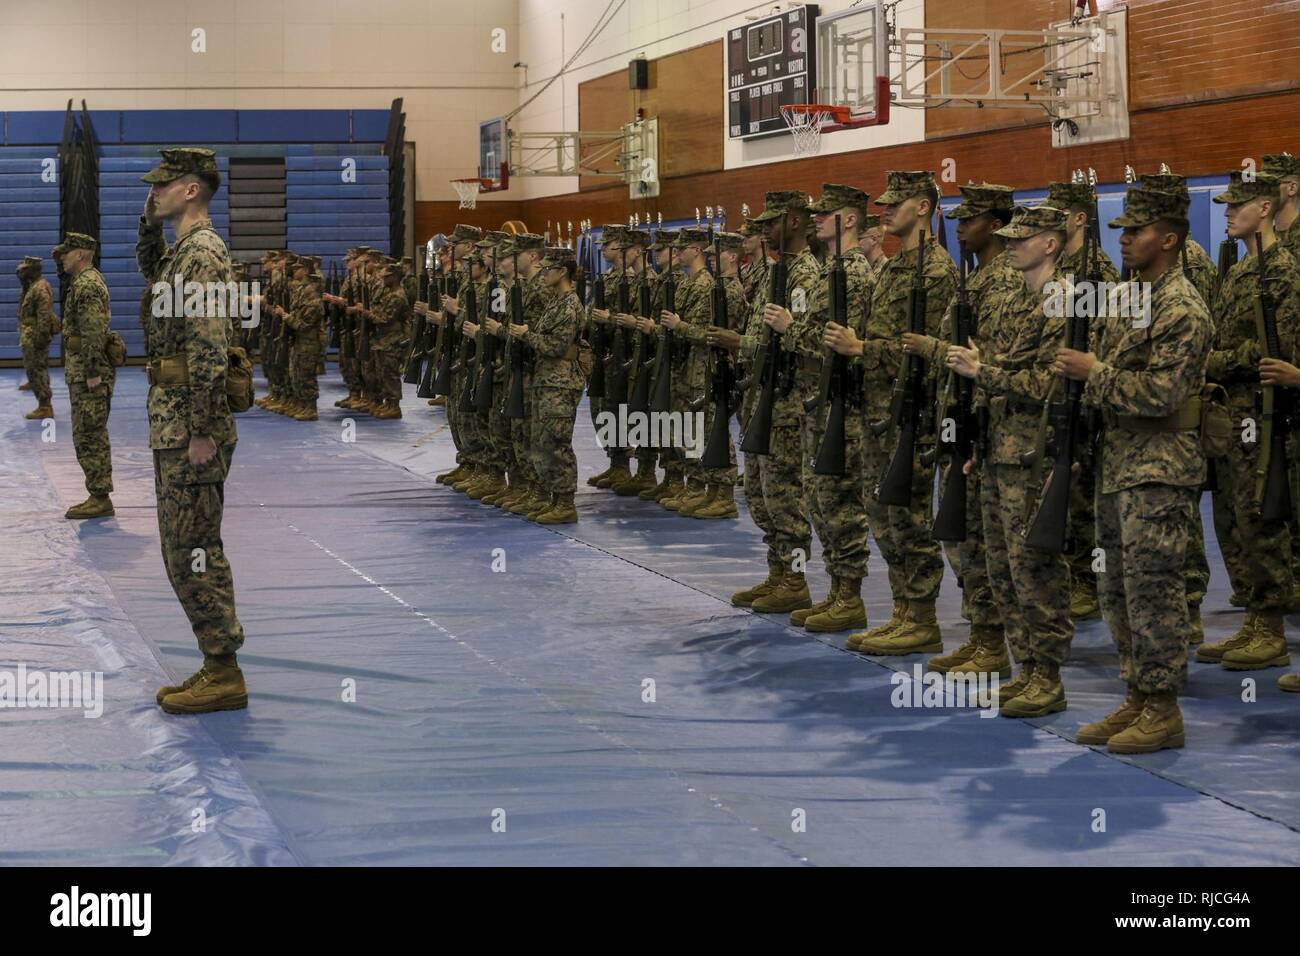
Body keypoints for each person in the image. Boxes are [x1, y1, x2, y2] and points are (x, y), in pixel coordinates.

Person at [1056, 184, 1211, 753]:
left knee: (1154, 591)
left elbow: (1162, 395)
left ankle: (1164, 708)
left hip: (1159, 467)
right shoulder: (1129, 297)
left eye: (1136, 231)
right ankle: (1139, 694)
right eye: (1120, 230)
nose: (1124, 239)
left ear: (1167, 239)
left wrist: (1093, 372)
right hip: (1118, 461)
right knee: (1116, 589)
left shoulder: (1181, 307)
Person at [947, 203, 1074, 717]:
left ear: (1050, 244)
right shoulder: (1011, 301)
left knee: (1035, 569)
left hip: (1034, 456)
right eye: (1011, 237)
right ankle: (1025, 669)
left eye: (1024, 238)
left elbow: (1050, 384)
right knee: (1002, 568)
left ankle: (1048, 675)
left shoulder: (1063, 302)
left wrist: (984, 372)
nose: (1013, 245)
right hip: (999, 453)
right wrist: (977, 442)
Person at [135, 146, 247, 715]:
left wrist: (202, 428)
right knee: (182, 547)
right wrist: (147, 214)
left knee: (194, 547)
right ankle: (215, 663)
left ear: (192, 190)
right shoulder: (182, 252)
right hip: (173, 418)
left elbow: (208, 344)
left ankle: (224, 670)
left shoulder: (203, 255)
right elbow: (149, 271)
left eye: (163, 184)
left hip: (191, 425)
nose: (154, 191)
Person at [828, 172, 956, 652]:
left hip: (912, 413)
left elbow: (924, 348)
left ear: (922, 207)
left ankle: (922, 618)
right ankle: (903, 610)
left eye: (894, 204)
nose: (884, 211)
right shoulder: (897, 268)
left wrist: (863, 349)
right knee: (882, 513)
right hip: (879, 410)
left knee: (910, 517)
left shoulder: (936, 272)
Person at [906, 183, 1020, 675]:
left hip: (980, 426)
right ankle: (980, 634)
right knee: (960, 536)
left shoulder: (1005, 283)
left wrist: (930, 348)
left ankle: (992, 642)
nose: (959, 227)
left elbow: (989, 361)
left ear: (995, 225)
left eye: (969, 219)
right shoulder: (973, 280)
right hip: (957, 419)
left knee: (977, 538)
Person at [1197, 172, 1300, 673]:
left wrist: (1209, 362)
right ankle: (1255, 619)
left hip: (1264, 418)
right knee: (1234, 522)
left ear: (1265, 206)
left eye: (1237, 205)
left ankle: (1271, 625)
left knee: (1264, 522)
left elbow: (1274, 352)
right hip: (1229, 420)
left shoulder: (1281, 271)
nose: (1228, 212)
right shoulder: (1241, 270)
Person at [766, 184, 876, 630]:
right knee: (820, 499)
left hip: (841, 405)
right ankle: (835, 592)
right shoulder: (833, 269)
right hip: (819, 402)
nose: (817, 218)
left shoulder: (854, 274)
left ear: (849, 219)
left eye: (827, 212)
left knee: (839, 502)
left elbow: (833, 343)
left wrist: (790, 329)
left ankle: (849, 596)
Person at [716, 192, 818, 613]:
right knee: (760, 495)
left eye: (772, 222)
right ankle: (777, 573)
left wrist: (740, 342)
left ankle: (795, 579)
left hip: (787, 404)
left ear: (794, 222)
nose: (764, 230)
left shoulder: (805, 276)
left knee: (785, 498)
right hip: (762, 399)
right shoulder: (779, 271)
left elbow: (800, 343)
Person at [1046, 179, 1122, 624]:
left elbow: (1102, 336)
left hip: (1089, 397)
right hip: (1061, 391)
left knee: (1085, 497)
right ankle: (1076, 577)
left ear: (1078, 218)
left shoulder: (1097, 271)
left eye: (1059, 211)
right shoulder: (1057, 270)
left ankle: (1089, 581)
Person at [512, 246, 585, 524]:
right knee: (541, 442)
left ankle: (565, 502)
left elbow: (556, 346)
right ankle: (551, 496)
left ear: (562, 272)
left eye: (548, 269)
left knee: (556, 442)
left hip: (561, 382)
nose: (543, 274)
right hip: (546, 379)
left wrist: (527, 335)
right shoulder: (555, 302)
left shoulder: (570, 305)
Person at [57, 232, 117, 520]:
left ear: (80, 254)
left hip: (88, 371)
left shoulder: (88, 284)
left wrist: (92, 371)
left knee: (89, 433)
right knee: (87, 431)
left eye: (66, 253)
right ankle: (97, 492)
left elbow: (93, 331)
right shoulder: (82, 283)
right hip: (82, 368)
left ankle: (99, 496)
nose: (62, 258)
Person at [17, 255, 57, 420]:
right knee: (34, 367)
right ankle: (36, 385)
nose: (22, 272)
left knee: (37, 368)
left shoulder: (40, 287)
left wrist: (41, 336)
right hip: (30, 333)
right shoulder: (32, 286)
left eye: (26, 269)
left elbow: (44, 314)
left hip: (36, 335)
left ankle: (45, 406)